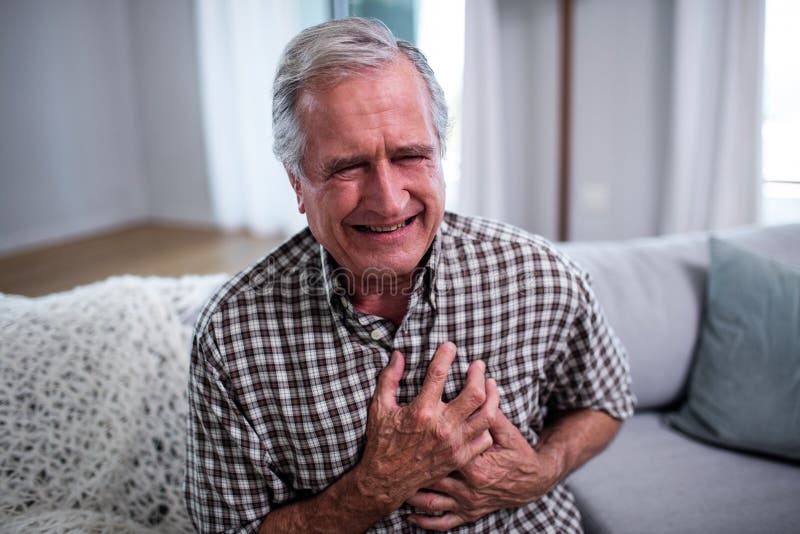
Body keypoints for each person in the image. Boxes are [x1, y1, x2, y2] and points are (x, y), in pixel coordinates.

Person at [185, 17, 634, 533]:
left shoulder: (541, 274)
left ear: (440, 154)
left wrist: (542, 470)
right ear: (298, 183)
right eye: (348, 167)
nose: (388, 200)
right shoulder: (231, 336)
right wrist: (374, 487)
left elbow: (605, 401)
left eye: (410, 156)